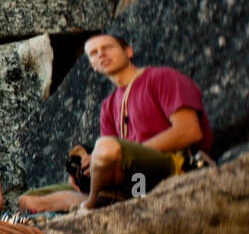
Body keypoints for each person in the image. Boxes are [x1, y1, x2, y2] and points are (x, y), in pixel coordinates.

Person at [18, 32, 214, 213]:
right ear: (93, 65)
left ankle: (92, 204)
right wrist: (88, 167)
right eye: (93, 53)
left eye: (108, 47)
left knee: (105, 147)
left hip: (172, 164)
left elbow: (190, 131)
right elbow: (108, 155)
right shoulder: (109, 105)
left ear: (128, 51)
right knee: (29, 198)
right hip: (134, 180)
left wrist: (124, 151)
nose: (101, 54)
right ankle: (104, 195)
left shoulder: (160, 78)